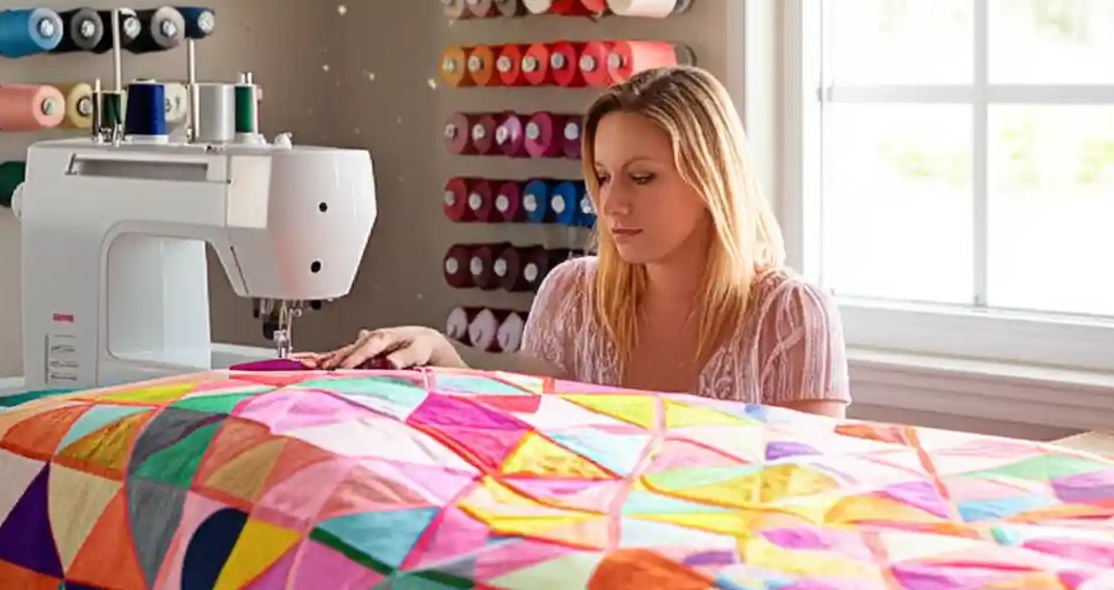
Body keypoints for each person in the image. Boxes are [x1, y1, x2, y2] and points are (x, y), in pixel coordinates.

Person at [295, 66, 851, 418]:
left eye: (641, 177)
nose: (611, 205)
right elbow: (524, 416)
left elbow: (805, 497)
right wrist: (441, 356)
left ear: (711, 179)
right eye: (603, 177)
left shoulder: (793, 315)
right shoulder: (573, 294)